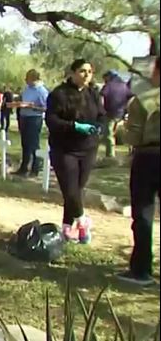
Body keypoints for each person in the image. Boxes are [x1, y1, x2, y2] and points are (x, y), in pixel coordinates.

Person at [45, 58, 105, 244]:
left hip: (88, 148)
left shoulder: (93, 93)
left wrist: (100, 127)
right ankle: (82, 222)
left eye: (90, 71)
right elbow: (52, 121)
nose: (87, 75)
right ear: (72, 73)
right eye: (82, 71)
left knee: (77, 189)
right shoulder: (59, 94)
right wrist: (74, 126)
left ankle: (66, 227)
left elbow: (102, 115)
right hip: (64, 149)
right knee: (70, 189)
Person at [116, 56, 160, 286]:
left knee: (143, 213)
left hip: (150, 157)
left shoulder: (144, 100)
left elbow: (132, 135)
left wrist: (121, 130)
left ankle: (141, 269)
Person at [11, 69, 49, 177]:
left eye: (27, 78)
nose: (25, 80)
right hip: (24, 117)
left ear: (34, 78)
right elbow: (22, 99)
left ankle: (35, 168)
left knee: (33, 144)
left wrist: (32, 107)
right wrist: (18, 102)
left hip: (34, 118)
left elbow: (45, 107)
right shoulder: (27, 89)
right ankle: (24, 168)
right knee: (25, 144)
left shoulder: (41, 91)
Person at [100, 70, 133, 158]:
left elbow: (101, 98)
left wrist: (101, 111)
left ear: (109, 76)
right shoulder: (124, 86)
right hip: (122, 114)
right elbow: (130, 97)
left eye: (105, 77)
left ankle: (110, 155)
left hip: (110, 113)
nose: (104, 79)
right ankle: (131, 152)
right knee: (128, 133)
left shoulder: (108, 86)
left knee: (109, 135)